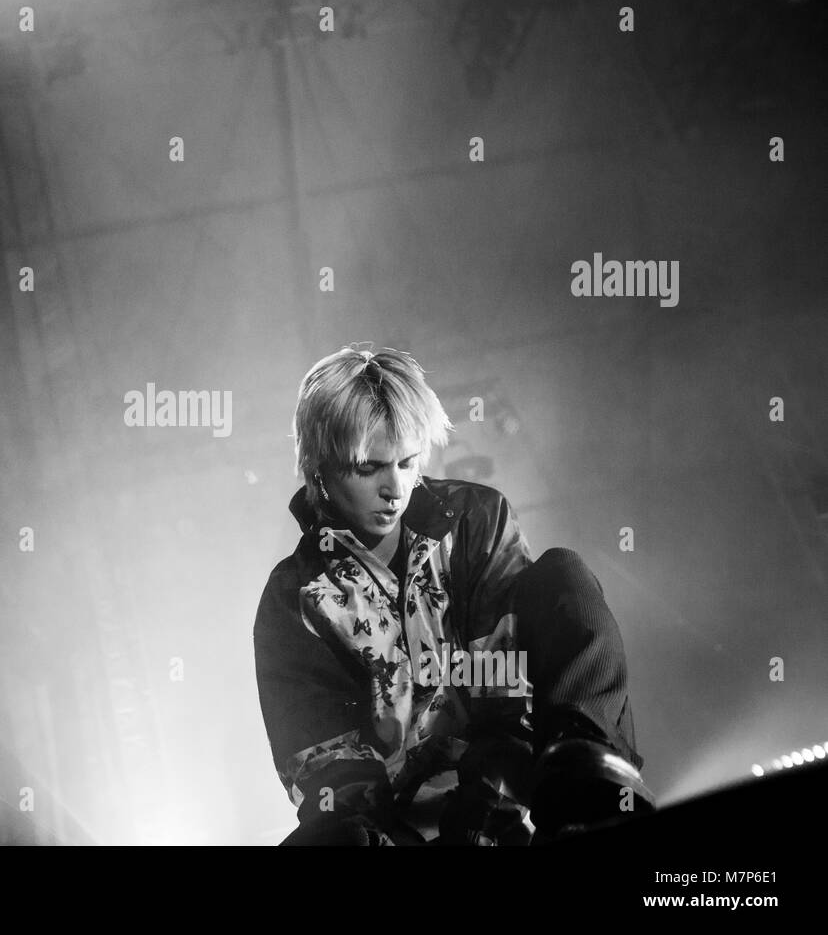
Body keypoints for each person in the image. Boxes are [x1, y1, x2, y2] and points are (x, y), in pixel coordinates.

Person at [253, 344, 654, 845]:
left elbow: (505, 675)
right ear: (321, 467)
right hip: (395, 826)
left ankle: (587, 783)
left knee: (564, 575)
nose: (394, 488)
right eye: (369, 467)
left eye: (406, 461)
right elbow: (331, 773)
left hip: (514, 780)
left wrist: (487, 790)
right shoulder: (293, 600)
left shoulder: (474, 519)